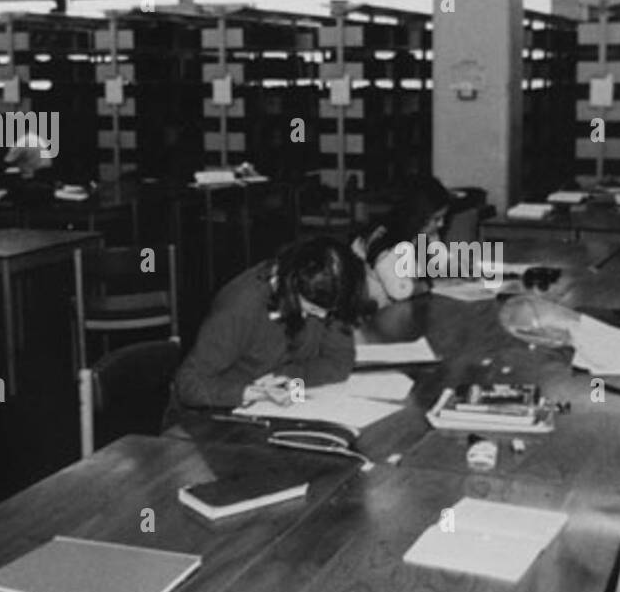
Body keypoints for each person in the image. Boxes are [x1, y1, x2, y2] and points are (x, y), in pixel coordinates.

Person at [164, 236, 369, 425]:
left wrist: (289, 379)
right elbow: (188, 384)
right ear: (292, 287)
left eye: (329, 312)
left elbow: (339, 363)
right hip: (211, 419)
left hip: (272, 413)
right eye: (314, 309)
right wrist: (252, 392)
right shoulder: (242, 306)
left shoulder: (331, 293)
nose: (323, 318)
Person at [351, 175, 452, 308]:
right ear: (418, 216)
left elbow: (440, 267)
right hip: (377, 314)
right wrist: (430, 284)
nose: (441, 224)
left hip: (404, 307)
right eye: (437, 219)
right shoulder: (386, 241)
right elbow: (399, 291)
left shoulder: (420, 234)